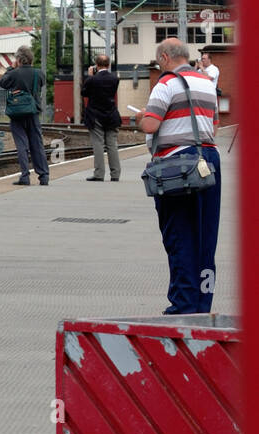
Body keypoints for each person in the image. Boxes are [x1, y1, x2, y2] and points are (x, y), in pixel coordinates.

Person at [133, 38, 220, 315]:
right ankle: (201, 303)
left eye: (160, 62)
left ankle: (182, 304)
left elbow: (150, 123)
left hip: (176, 167)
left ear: (166, 57)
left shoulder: (167, 83)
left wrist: (139, 119)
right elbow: (214, 127)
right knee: (205, 235)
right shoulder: (207, 83)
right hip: (208, 161)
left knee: (179, 235)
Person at [0, 46, 49, 186]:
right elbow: (41, 84)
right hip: (33, 112)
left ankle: (25, 176)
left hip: (17, 113)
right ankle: (43, 176)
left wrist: (11, 69)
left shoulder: (14, 73)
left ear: (19, 59)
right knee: (37, 144)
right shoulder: (39, 73)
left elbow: (2, 83)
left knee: (22, 144)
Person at [82, 54, 122, 182]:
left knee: (98, 144)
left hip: (95, 115)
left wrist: (90, 76)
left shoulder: (92, 80)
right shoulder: (115, 79)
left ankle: (99, 174)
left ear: (96, 65)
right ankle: (115, 174)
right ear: (109, 65)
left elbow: (84, 92)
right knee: (112, 144)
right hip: (111, 114)